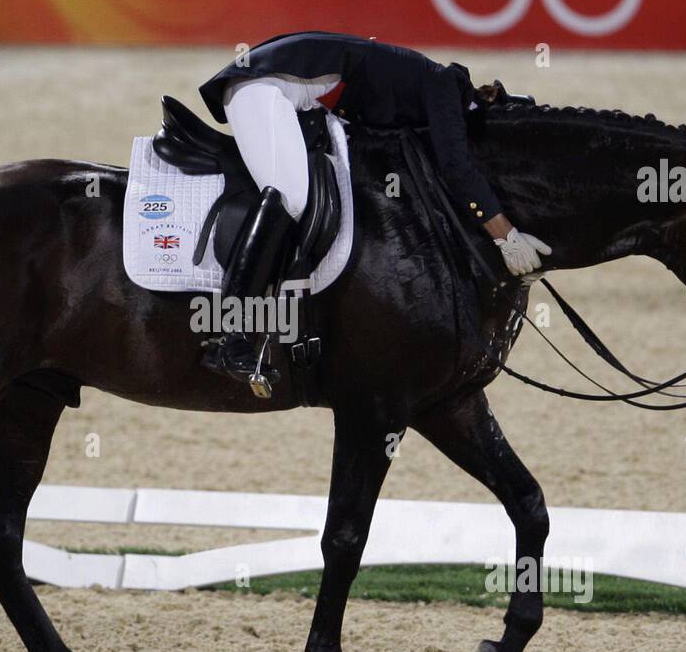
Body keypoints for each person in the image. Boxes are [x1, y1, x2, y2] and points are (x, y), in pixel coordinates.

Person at [197, 30, 551, 386]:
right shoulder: (447, 87)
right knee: (290, 196)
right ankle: (229, 336)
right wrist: (506, 237)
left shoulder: (432, 91)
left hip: (287, 93)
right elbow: (457, 168)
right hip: (263, 89)